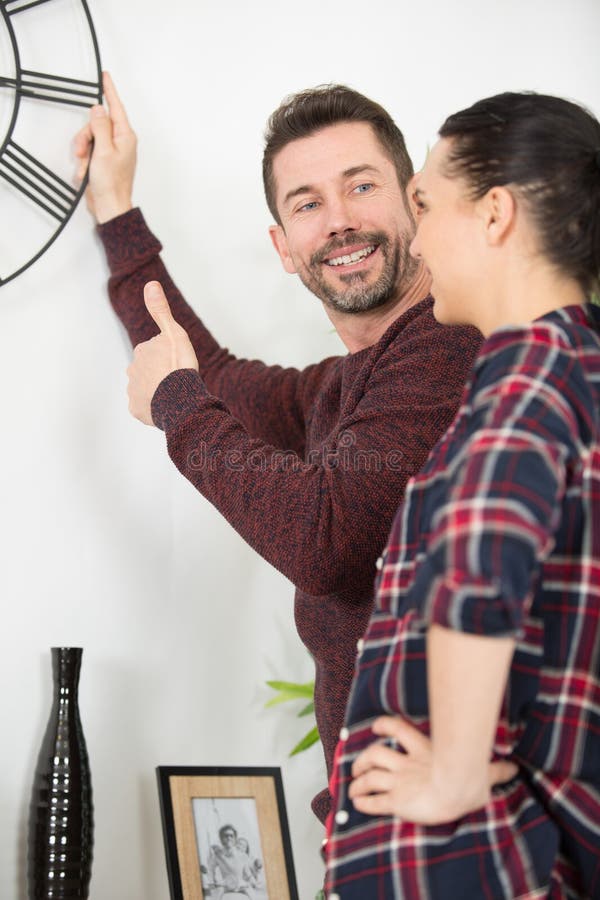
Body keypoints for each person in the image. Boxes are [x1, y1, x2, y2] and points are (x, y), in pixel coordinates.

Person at [75, 74, 482, 822]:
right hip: (380, 832)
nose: (338, 222)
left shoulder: (448, 348)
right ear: (285, 247)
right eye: (308, 203)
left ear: (414, 204)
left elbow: (324, 540)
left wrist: (176, 405)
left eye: (361, 187)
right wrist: (115, 208)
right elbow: (215, 376)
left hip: (446, 839)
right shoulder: (345, 387)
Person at [324, 91, 600, 899]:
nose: (412, 234)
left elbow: (482, 566)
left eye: (423, 203)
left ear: (495, 215)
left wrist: (448, 775)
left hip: (465, 857)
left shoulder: (525, 384)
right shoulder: (581, 371)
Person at [208, 825, 256, 898]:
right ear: (221, 839)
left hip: (240, 884)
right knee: (216, 896)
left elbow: (247, 871)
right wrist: (211, 882)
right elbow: (211, 869)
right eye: (226, 836)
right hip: (225, 885)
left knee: (253, 895)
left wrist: (253, 881)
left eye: (231, 836)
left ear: (235, 839)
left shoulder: (242, 855)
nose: (229, 838)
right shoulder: (218, 855)